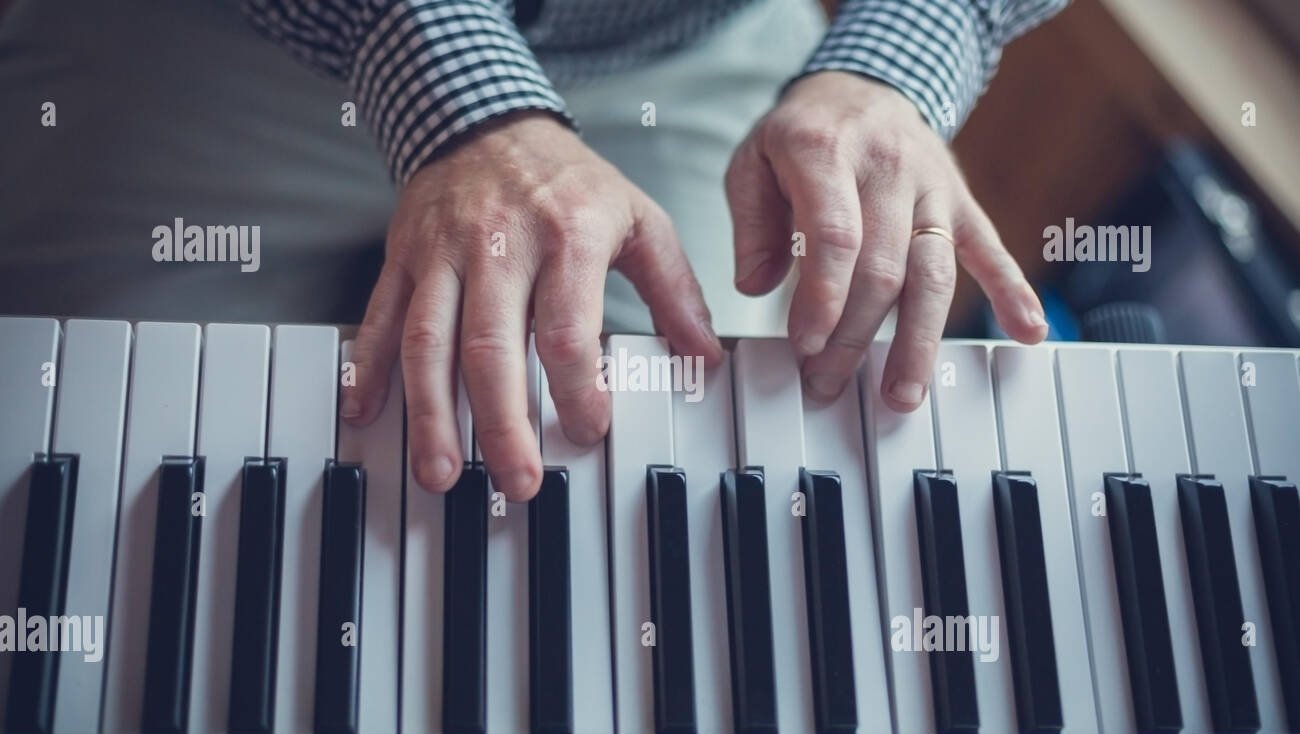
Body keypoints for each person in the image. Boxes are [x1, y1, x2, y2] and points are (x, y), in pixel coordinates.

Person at [0, 0, 1066, 501]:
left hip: (685, 55)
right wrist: (451, 90)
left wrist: (900, 53)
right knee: (75, 468)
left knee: (701, 458)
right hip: (215, 40)